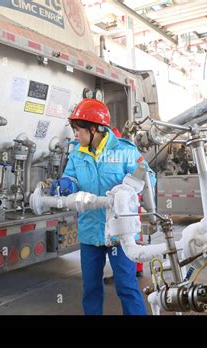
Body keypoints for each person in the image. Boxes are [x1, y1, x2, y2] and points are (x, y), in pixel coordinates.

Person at [50, 99, 155, 315]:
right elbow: (71, 176)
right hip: (90, 233)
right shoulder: (77, 152)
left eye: (78, 130)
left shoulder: (124, 150)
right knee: (91, 289)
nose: (75, 135)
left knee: (126, 286)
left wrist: (129, 187)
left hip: (119, 232)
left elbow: (149, 177)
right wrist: (67, 183)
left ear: (94, 128)